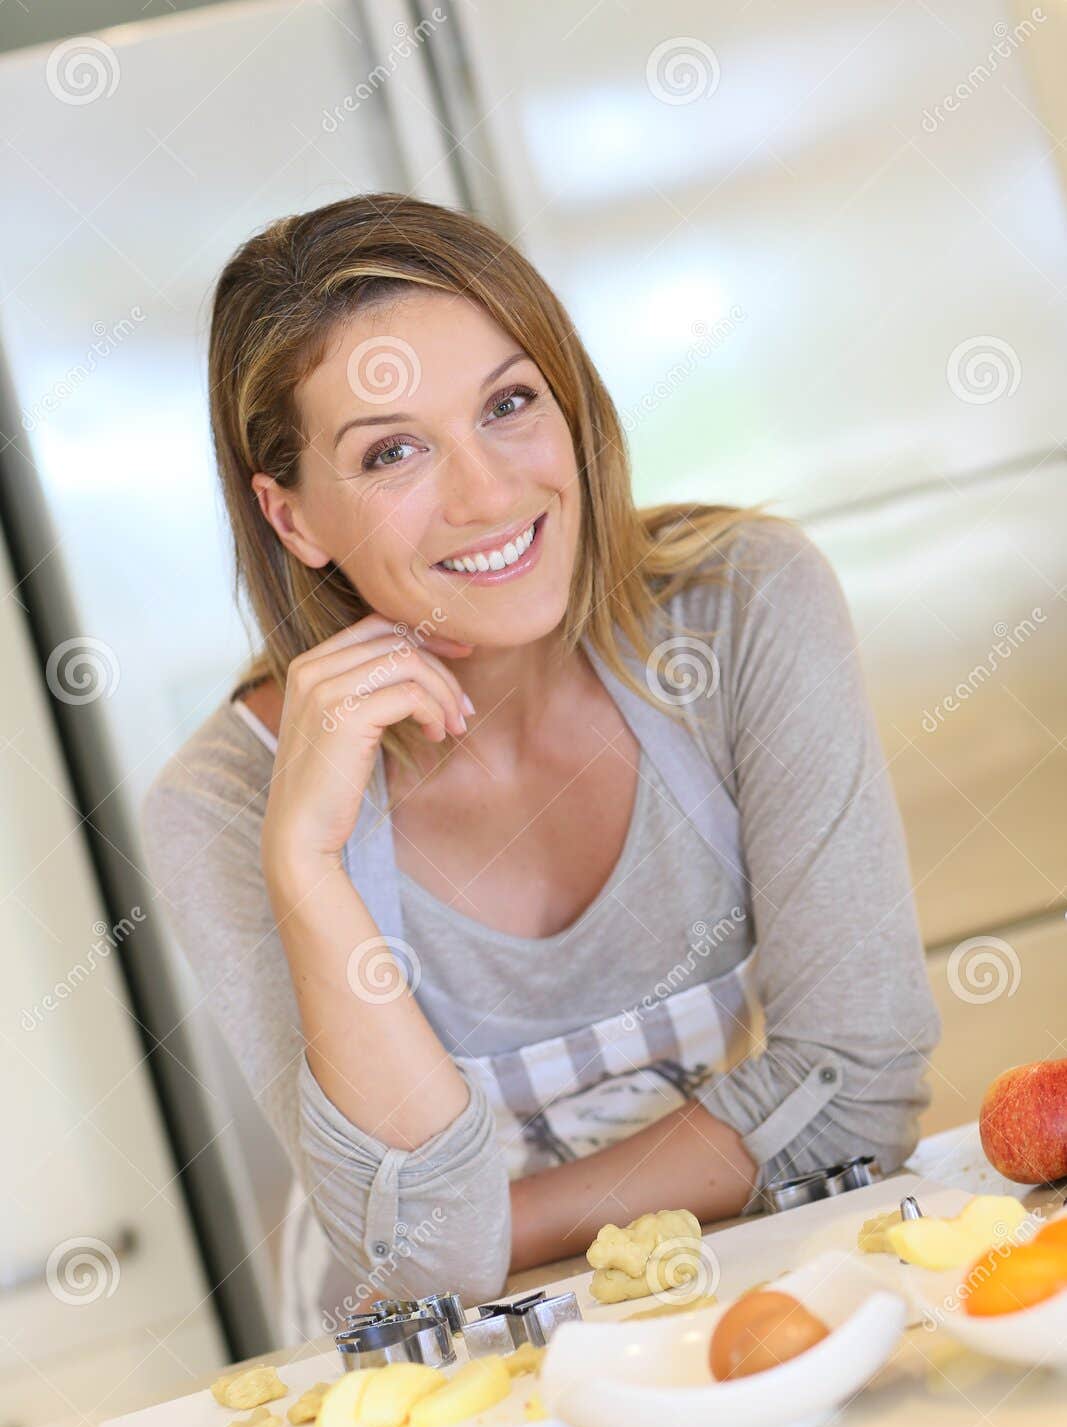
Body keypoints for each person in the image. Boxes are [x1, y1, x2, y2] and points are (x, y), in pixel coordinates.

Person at [141, 193, 940, 1343]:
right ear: (294, 517)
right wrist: (309, 861)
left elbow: (856, 1086)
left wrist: (491, 1230)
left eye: (508, 404)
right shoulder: (224, 807)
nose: (488, 493)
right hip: (429, 1385)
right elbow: (413, 1272)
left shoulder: (740, 611)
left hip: (719, 1296)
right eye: (393, 452)